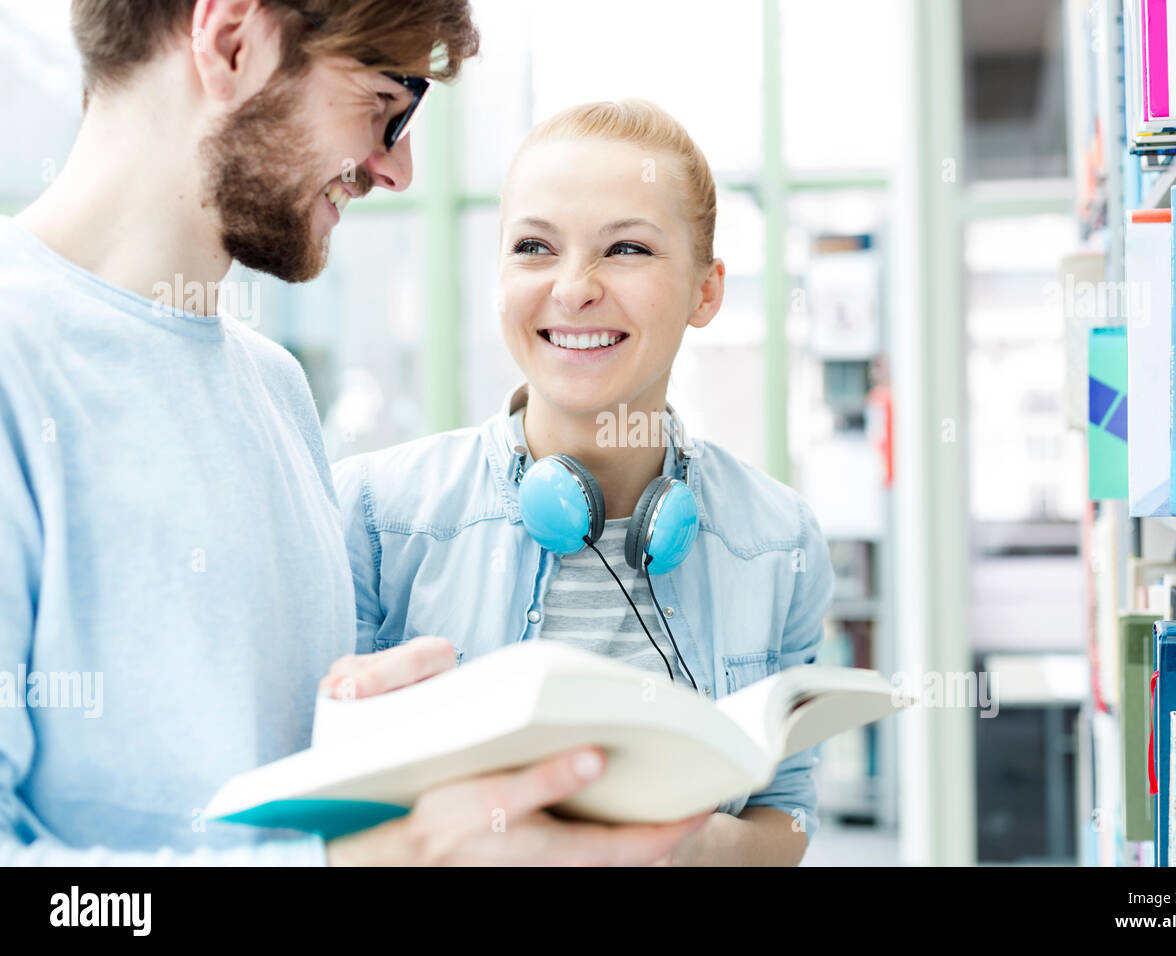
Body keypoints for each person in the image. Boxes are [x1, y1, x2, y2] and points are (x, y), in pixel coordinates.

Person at [0, 0, 707, 866]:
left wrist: (379, 757)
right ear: (231, 41)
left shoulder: (273, 389)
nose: (398, 168)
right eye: (387, 101)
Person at [332, 100, 835, 866]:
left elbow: (788, 820)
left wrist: (680, 849)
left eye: (626, 249)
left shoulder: (777, 539)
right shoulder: (375, 516)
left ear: (706, 291)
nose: (574, 289)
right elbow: (317, 820)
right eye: (534, 246)